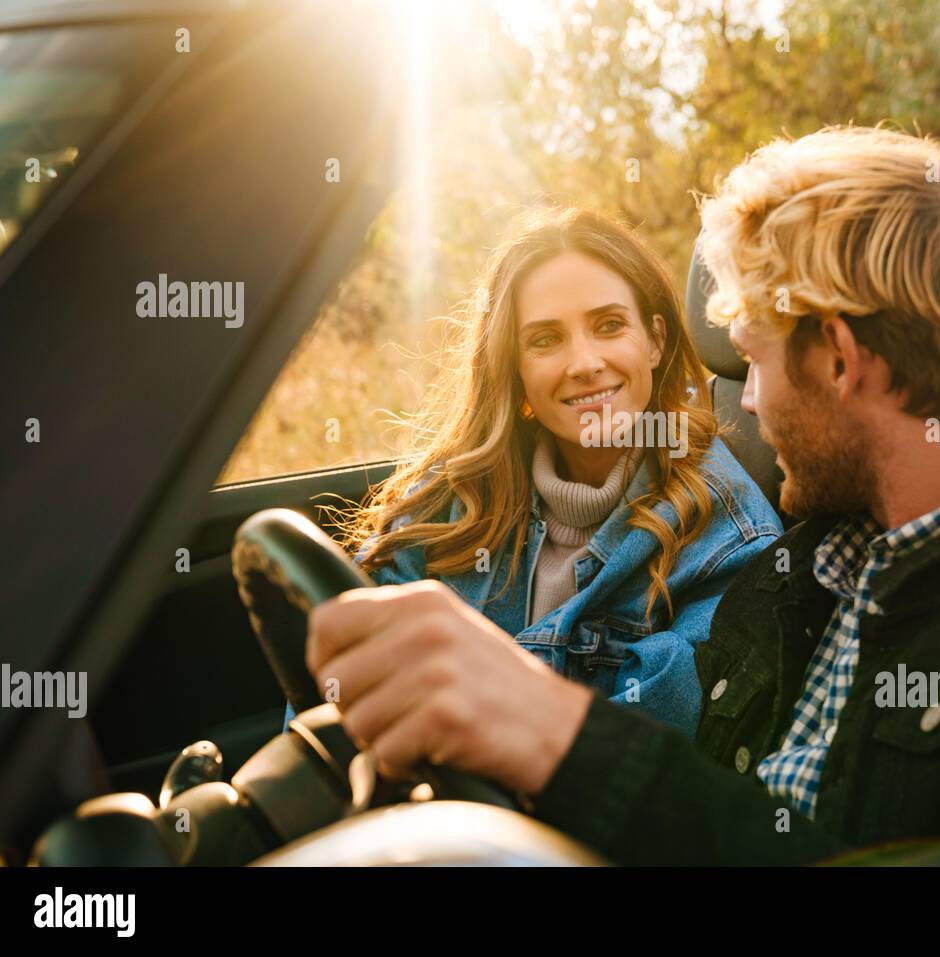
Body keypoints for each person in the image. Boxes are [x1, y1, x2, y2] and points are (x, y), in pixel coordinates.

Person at [303, 127, 940, 864]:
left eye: (758, 367)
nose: (747, 405)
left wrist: (559, 736)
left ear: (841, 360)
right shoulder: (802, 570)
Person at [291, 206, 780, 740]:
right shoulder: (453, 493)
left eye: (609, 325)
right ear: (515, 368)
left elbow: (631, 755)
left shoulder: (726, 538)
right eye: (546, 340)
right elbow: (336, 671)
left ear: (656, 340)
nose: (584, 362)